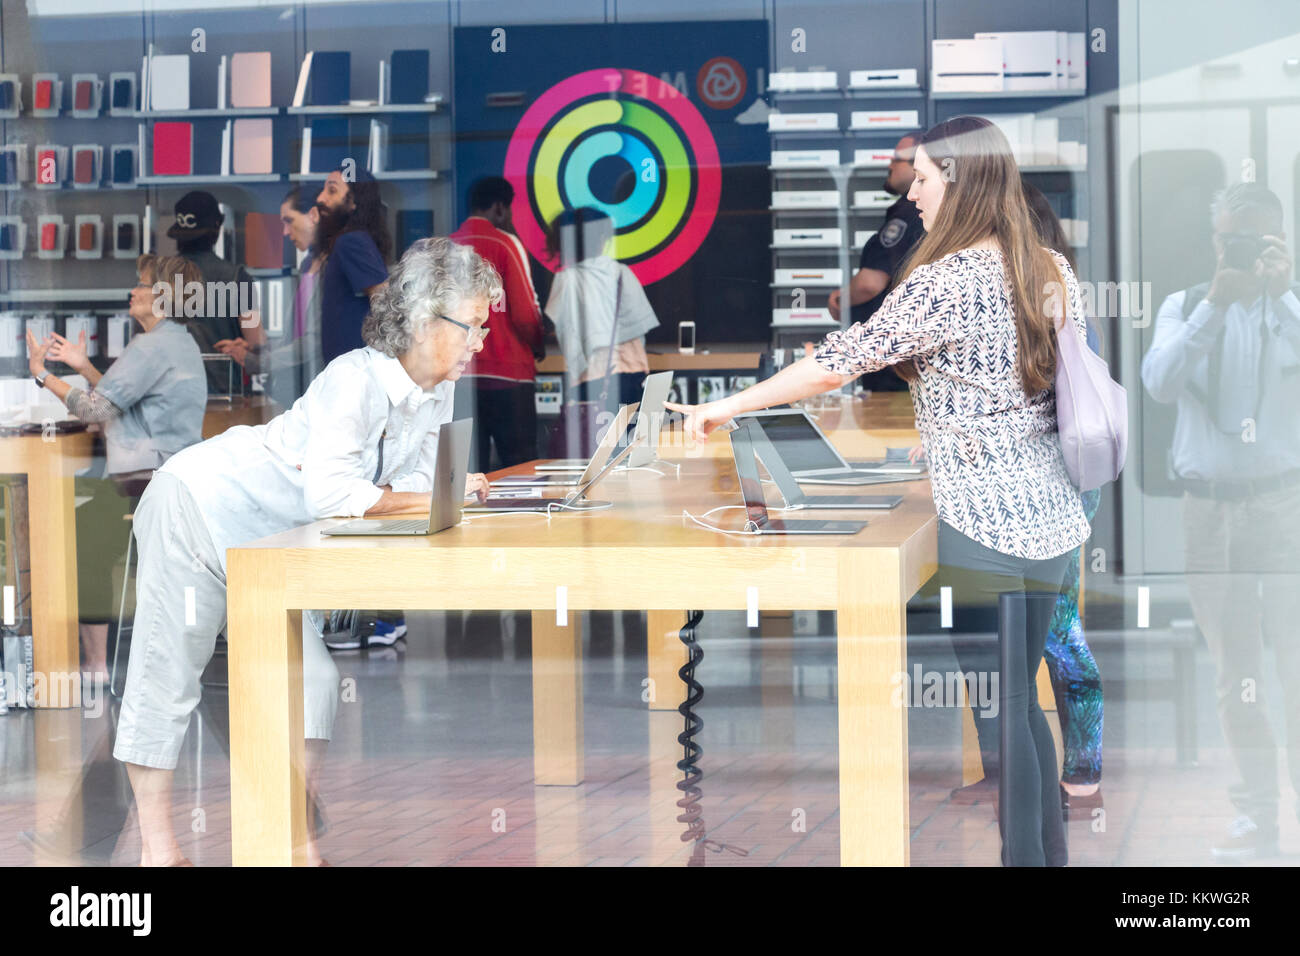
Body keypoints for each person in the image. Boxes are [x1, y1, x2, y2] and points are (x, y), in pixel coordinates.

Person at [667, 116, 1092, 867]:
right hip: (1052, 512)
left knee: (1002, 702)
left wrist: (729, 405)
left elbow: (841, 360)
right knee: (1022, 699)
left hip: (982, 519)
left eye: (924, 179)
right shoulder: (1051, 267)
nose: (914, 196)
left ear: (957, 183)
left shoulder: (944, 278)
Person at [111, 238, 497, 866]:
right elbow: (336, 494)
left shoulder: (437, 391)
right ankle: (162, 852)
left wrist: (439, 498)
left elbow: (421, 494)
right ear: (426, 321)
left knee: (314, 682)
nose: (480, 342)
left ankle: (287, 839)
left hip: (272, 550)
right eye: (472, 326)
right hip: (200, 509)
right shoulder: (355, 380)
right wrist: (431, 496)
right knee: (168, 674)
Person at [1141, 182, 1300, 861]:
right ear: (1215, 242)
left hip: (1286, 505)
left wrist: (1283, 293)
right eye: (1231, 238)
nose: (1239, 251)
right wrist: (1219, 301)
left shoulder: (1293, 310)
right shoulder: (1185, 306)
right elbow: (1159, 383)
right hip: (1210, 512)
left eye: (1255, 240)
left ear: (1279, 240)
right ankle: (1259, 818)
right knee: (1237, 676)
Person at [946, 181, 1105, 815]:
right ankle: (1006, 770)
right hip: (1017, 488)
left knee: (1058, 632)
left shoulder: (1045, 292)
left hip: (1055, 484)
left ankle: (1083, 780)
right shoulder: (1019, 291)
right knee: (990, 635)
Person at [26, 254, 207, 678]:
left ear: (161, 296)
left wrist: (42, 375)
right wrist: (82, 366)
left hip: (146, 484)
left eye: (141, 285)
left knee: (80, 539)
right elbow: (122, 398)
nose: (133, 291)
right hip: (171, 481)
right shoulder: (176, 340)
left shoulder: (151, 345)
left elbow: (94, 409)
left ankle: (93, 665)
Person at [450, 176, 545, 471]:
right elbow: (526, 313)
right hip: (509, 375)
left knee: (465, 470)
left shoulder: (448, 246)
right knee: (520, 470)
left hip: (460, 378)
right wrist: (539, 346)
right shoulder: (505, 243)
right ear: (499, 208)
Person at [826, 134, 924, 392]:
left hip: (893, 367)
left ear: (918, 165)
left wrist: (839, 300)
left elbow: (871, 283)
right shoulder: (920, 214)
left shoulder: (908, 213)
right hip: (904, 361)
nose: (890, 165)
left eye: (897, 159)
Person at [216, 186, 325, 406]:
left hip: (321, 392)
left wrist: (259, 362)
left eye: (289, 220)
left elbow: (314, 343)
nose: (285, 232)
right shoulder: (306, 267)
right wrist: (259, 349)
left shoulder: (331, 268)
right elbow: (295, 339)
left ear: (313, 216)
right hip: (298, 392)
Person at [544, 206, 659, 411]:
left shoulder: (566, 279)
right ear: (600, 238)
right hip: (632, 371)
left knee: (596, 439)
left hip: (590, 376)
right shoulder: (622, 272)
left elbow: (563, 331)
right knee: (631, 438)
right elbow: (639, 329)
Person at [168, 191, 261, 394]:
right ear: (217, 227)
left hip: (173, 395)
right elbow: (256, 343)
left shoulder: (158, 279)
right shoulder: (238, 278)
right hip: (228, 394)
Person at [316, 168, 391, 365]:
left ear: (354, 202)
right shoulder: (350, 241)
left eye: (332, 191)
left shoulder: (351, 241)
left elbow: (385, 302)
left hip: (355, 371)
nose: (320, 198)